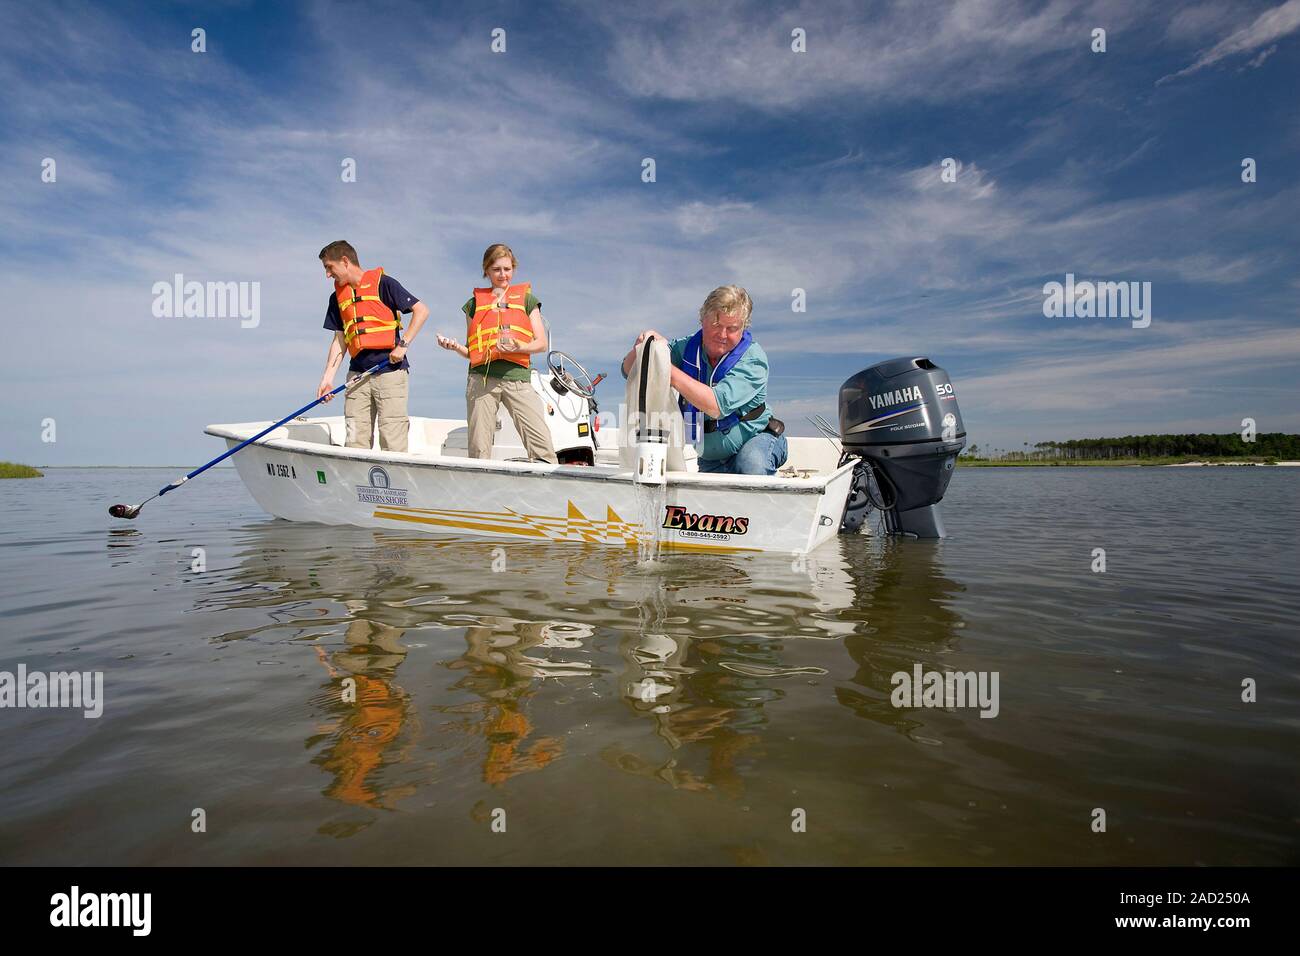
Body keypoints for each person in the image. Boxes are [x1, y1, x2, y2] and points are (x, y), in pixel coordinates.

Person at [621, 285, 787, 475]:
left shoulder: (753, 359)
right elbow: (629, 372)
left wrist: (665, 369)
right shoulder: (686, 348)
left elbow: (716, 406)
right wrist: (644, 347)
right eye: (716, 325)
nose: (723, 335)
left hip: (757, 440)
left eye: (732, 328)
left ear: (743, 328)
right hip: (710, 458)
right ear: (703, 320)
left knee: (750, 462)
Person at [436, 243, 558, 463]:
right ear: (486, 271)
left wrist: (519, 347)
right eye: (496, 270)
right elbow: (471, 352)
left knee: (542, 447)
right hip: (480, 380)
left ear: (514, 269)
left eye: (507, 269)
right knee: (479, 451)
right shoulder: (473, 305)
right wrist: (454, 347)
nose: (503, 275)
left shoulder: (528, 301)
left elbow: (540, 343)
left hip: (518, 379)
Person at [316, 240, 429, 452]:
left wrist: (403, 345)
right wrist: (327, 379)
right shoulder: (336, 299)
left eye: (329, 267)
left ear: (345, 261)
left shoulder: (384, 284)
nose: (328, 275)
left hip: (390, 372)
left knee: (392, 440)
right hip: (357, 375)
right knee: (355, 440)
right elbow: (340, 340)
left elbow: (421, 310)